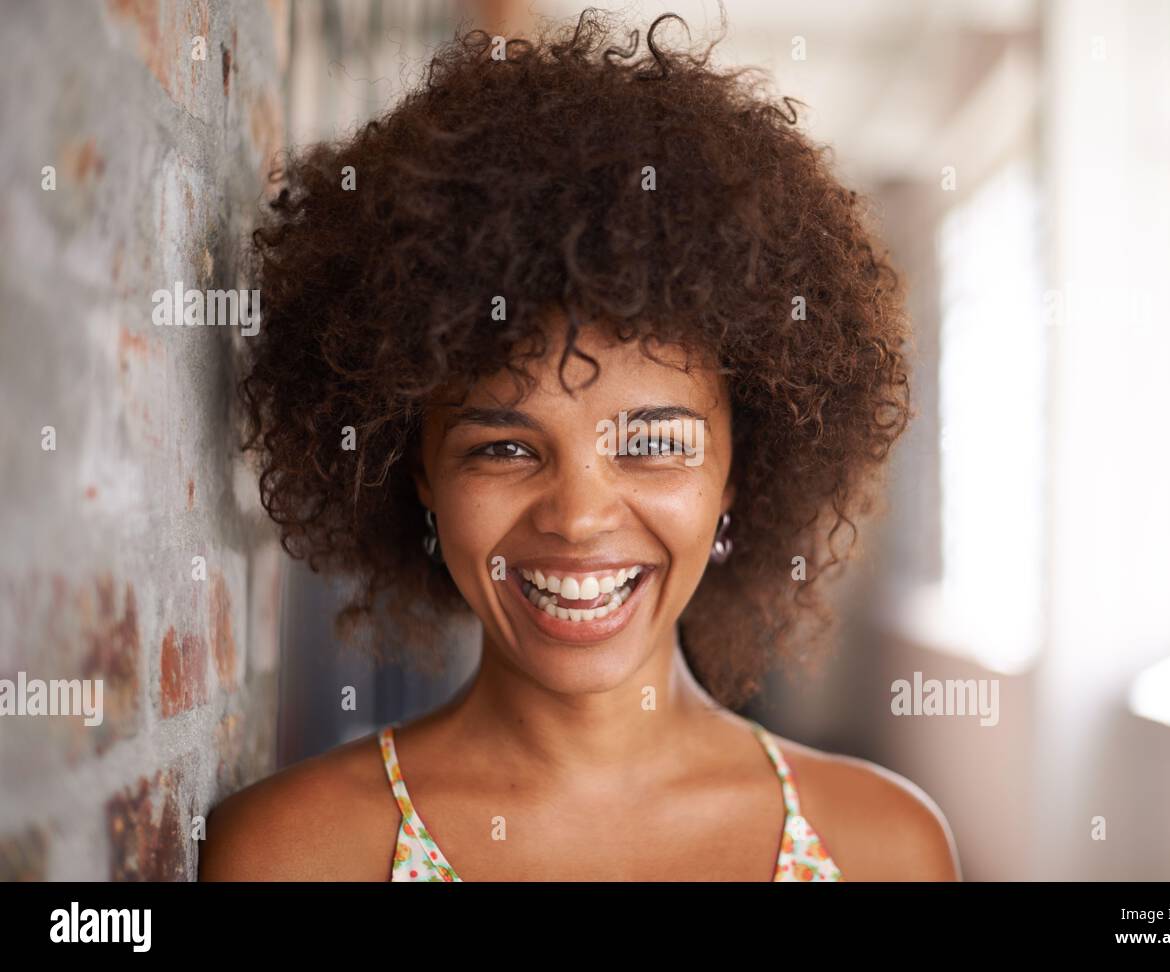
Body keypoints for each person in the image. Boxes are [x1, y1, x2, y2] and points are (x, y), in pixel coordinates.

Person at [200, 7, 959, 882]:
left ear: (741, 470)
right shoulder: (289, 856)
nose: (581, 516)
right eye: (504, 449)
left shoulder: (886, 848)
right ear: (418, 474)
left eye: (655, 443)